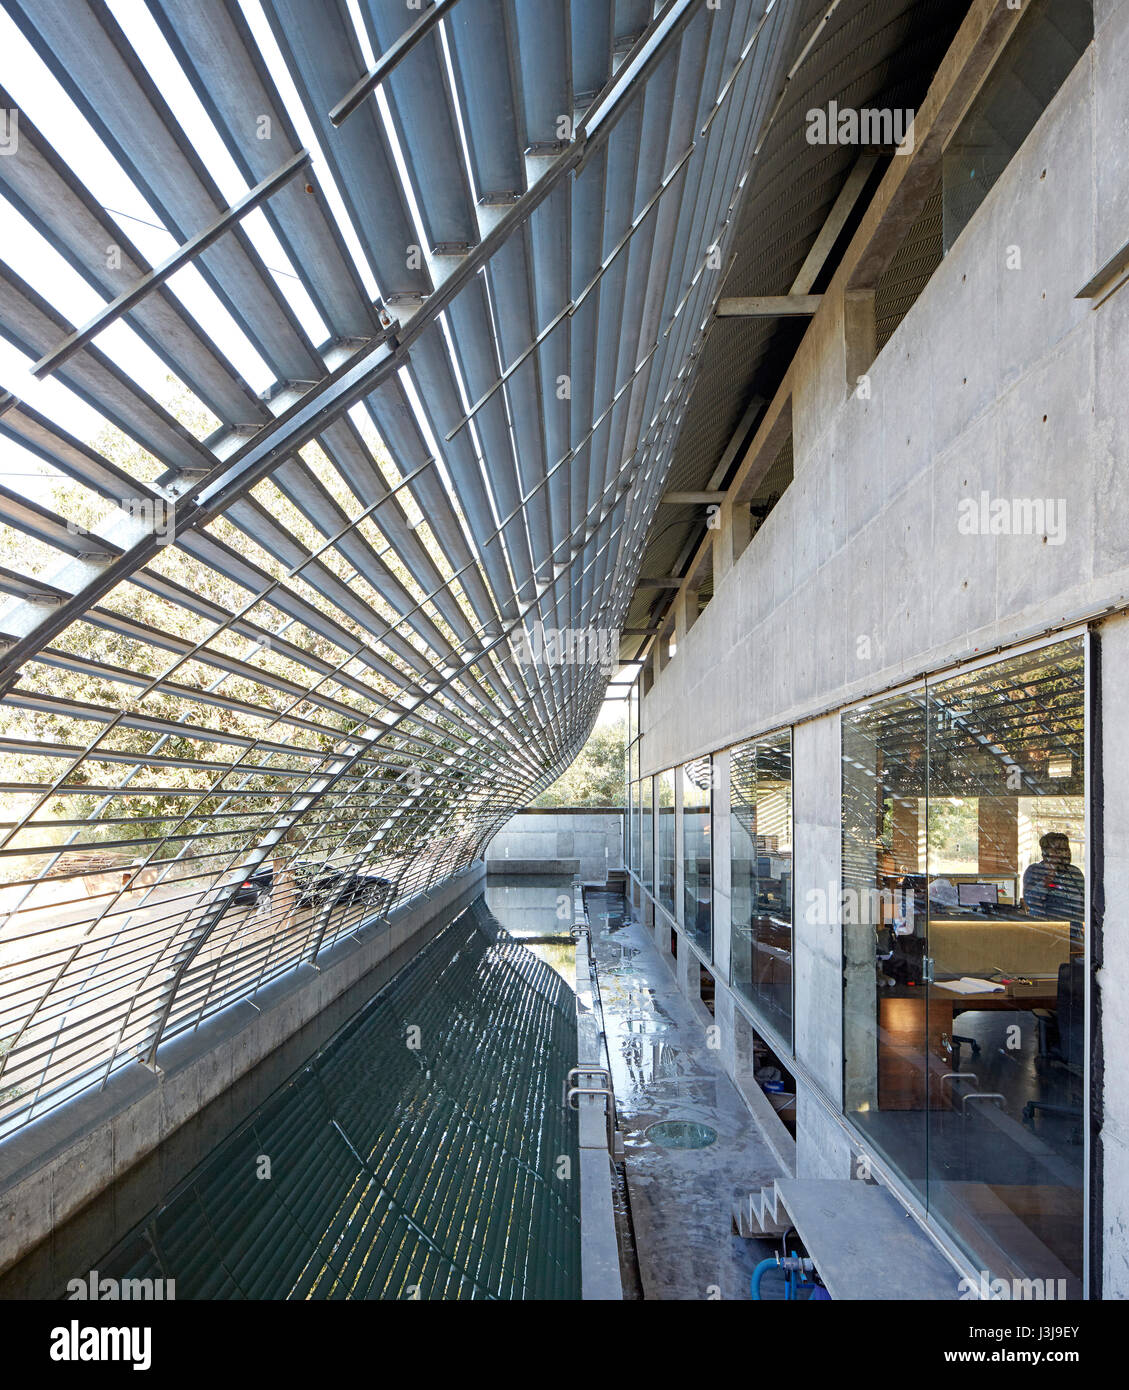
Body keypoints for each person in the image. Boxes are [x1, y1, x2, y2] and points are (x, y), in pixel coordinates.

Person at [1022, 832, 1085, 930]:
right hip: (1046, 929)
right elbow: (1031, 901)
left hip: (1073, 929)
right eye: (1059, 850)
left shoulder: (1075, 872)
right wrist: (1051, 874)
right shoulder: (1035, 870)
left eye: (1067, 849)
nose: (1066, 853)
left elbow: (1084, 903)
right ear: (1046, 853)